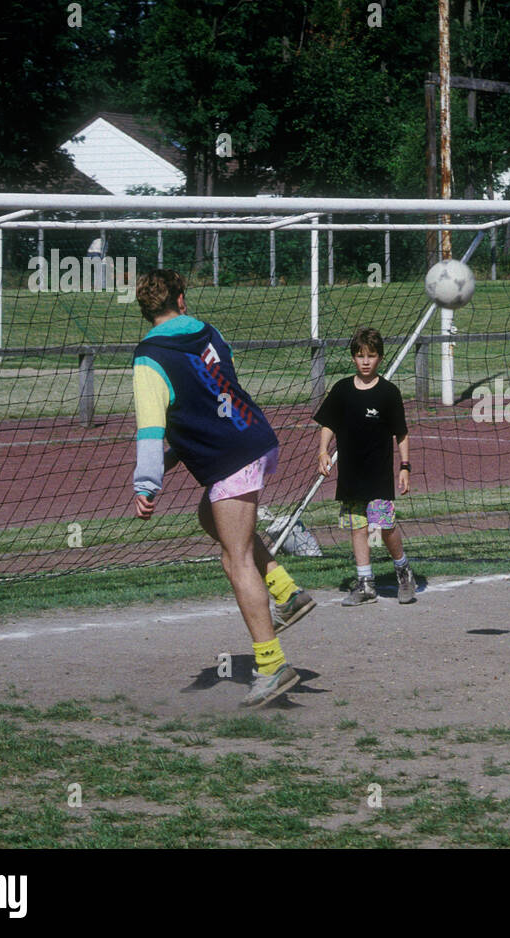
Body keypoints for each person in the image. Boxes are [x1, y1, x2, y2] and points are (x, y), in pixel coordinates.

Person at [130, 269, 315, 709]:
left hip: (234, 460)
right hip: (257, 439)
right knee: (209, 518)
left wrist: (147, 485)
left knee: (235, 562)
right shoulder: (210, 332)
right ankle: (287, 592)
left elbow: (150, 430)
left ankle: (272, 667)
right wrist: (184, 451)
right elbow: (213, 391)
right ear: (181, 299)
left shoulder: (148, 357)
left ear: (143, 310)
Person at [314, 327, 416, 606]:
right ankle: (365, 583)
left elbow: (401, 433)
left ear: (380, 358)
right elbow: (329, 423)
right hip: (351, 475)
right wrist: (323, 451)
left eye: (371, 356)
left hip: (378, 475)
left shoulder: (388, 393)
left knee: (384, 525)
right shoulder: (343, 389)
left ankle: (403, 572)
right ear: (353, 359)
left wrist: (405, 466)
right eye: (360, 356)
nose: (366, 361)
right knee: (357, 527)